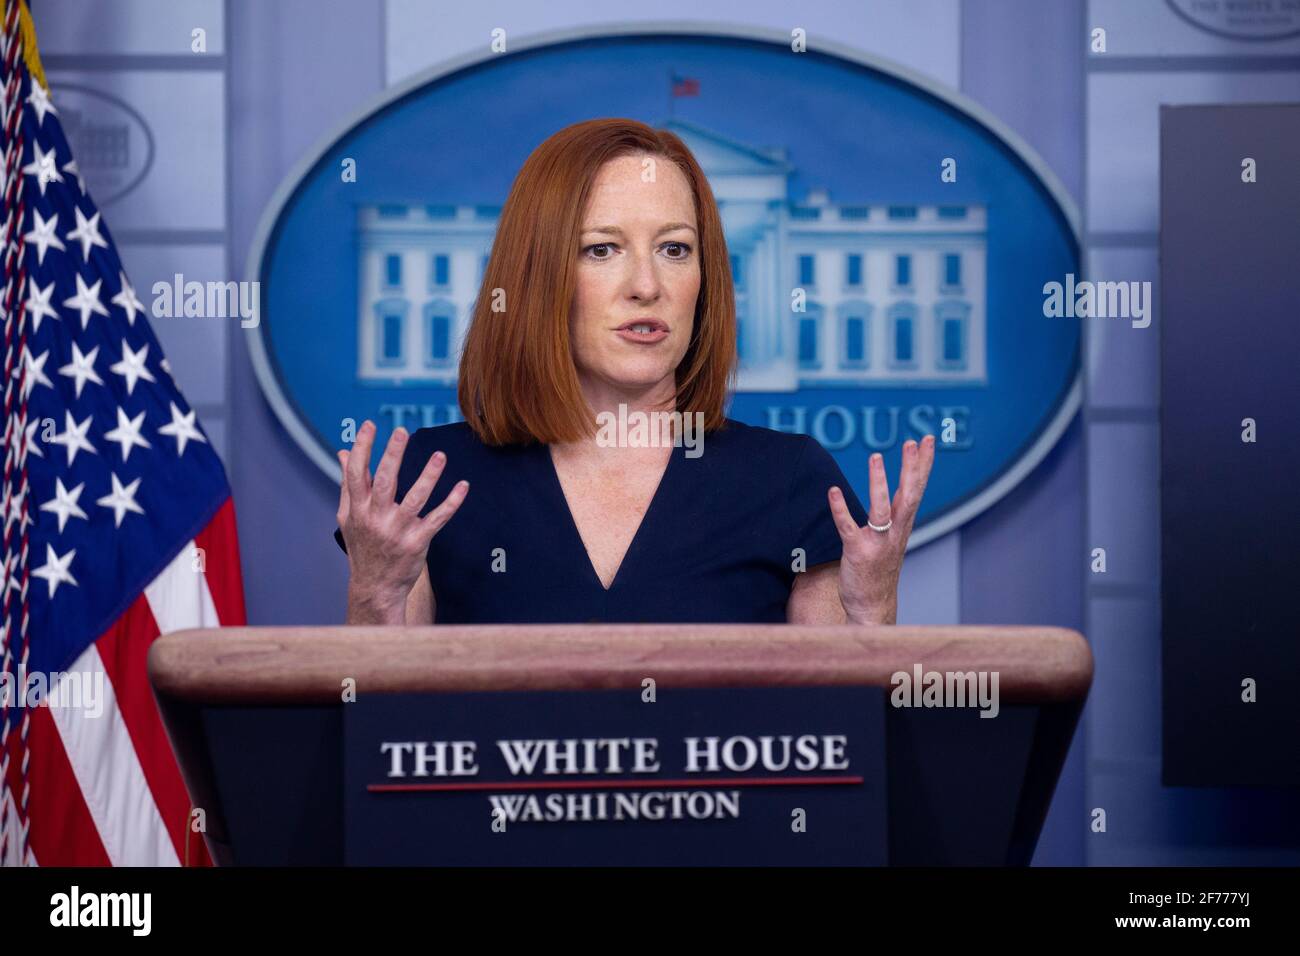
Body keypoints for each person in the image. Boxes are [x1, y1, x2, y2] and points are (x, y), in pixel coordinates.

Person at [334, 118, 934, 626]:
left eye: (675, 249)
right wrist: (374, 597)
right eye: (602, 249)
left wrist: (873, 613)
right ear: (539, 275)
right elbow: (375, 738)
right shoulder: (427, 484)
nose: (647, 286)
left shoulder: (790, 479)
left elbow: (838, 743)